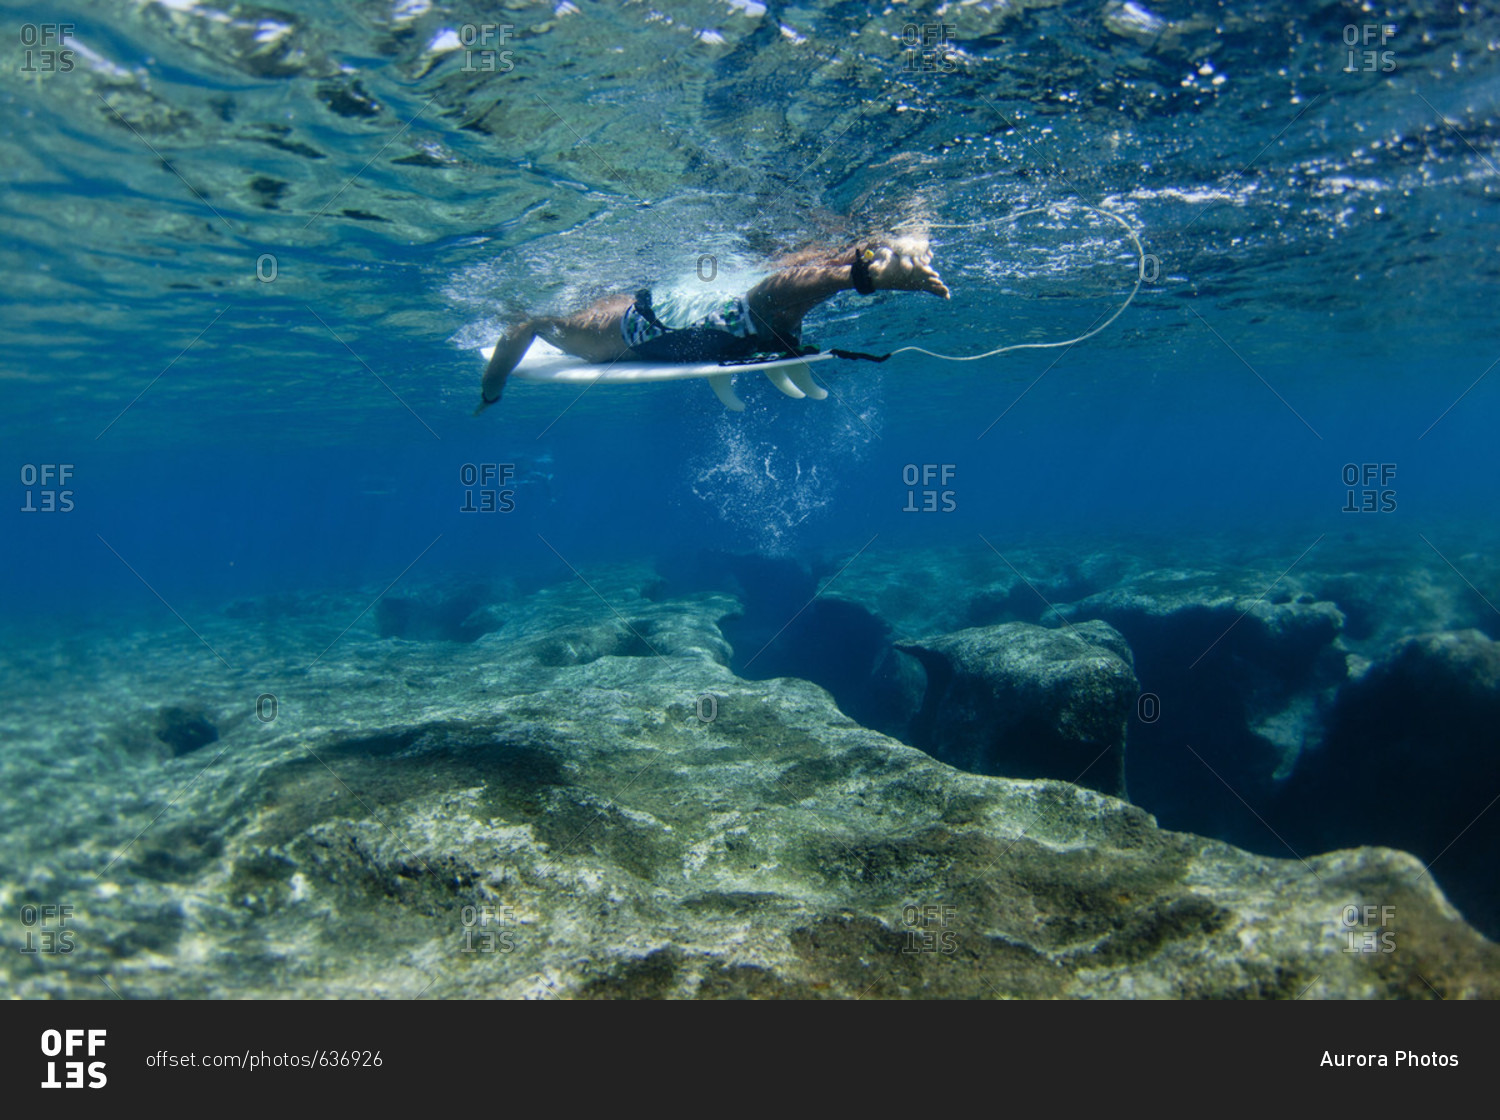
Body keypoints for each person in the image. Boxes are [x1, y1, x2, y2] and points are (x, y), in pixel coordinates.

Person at [475, 237, 950, 414]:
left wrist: (491, 390)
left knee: (775, 295)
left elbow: (528, 325)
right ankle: (877, 252)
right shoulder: (615, 305)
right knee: (789, 283)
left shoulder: (587, 331)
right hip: (739, 325)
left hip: (716, 327)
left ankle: (867, 268)